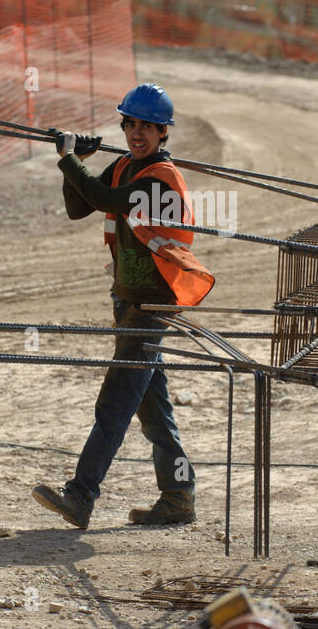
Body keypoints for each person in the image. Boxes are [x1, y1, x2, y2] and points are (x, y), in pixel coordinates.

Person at [32, 83, 215, 530]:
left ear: (163, 132)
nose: (137, 132)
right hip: (129, 302)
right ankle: (178, 496)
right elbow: (80, 205)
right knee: (153, 409)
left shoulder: (159, 179)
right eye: (130, 123)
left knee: (115, 402)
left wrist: (70, 158)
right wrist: (77, 164)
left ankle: (81, 495)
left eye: (147, 126)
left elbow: (103, 199)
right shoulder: (127, 166)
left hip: (151, 307)